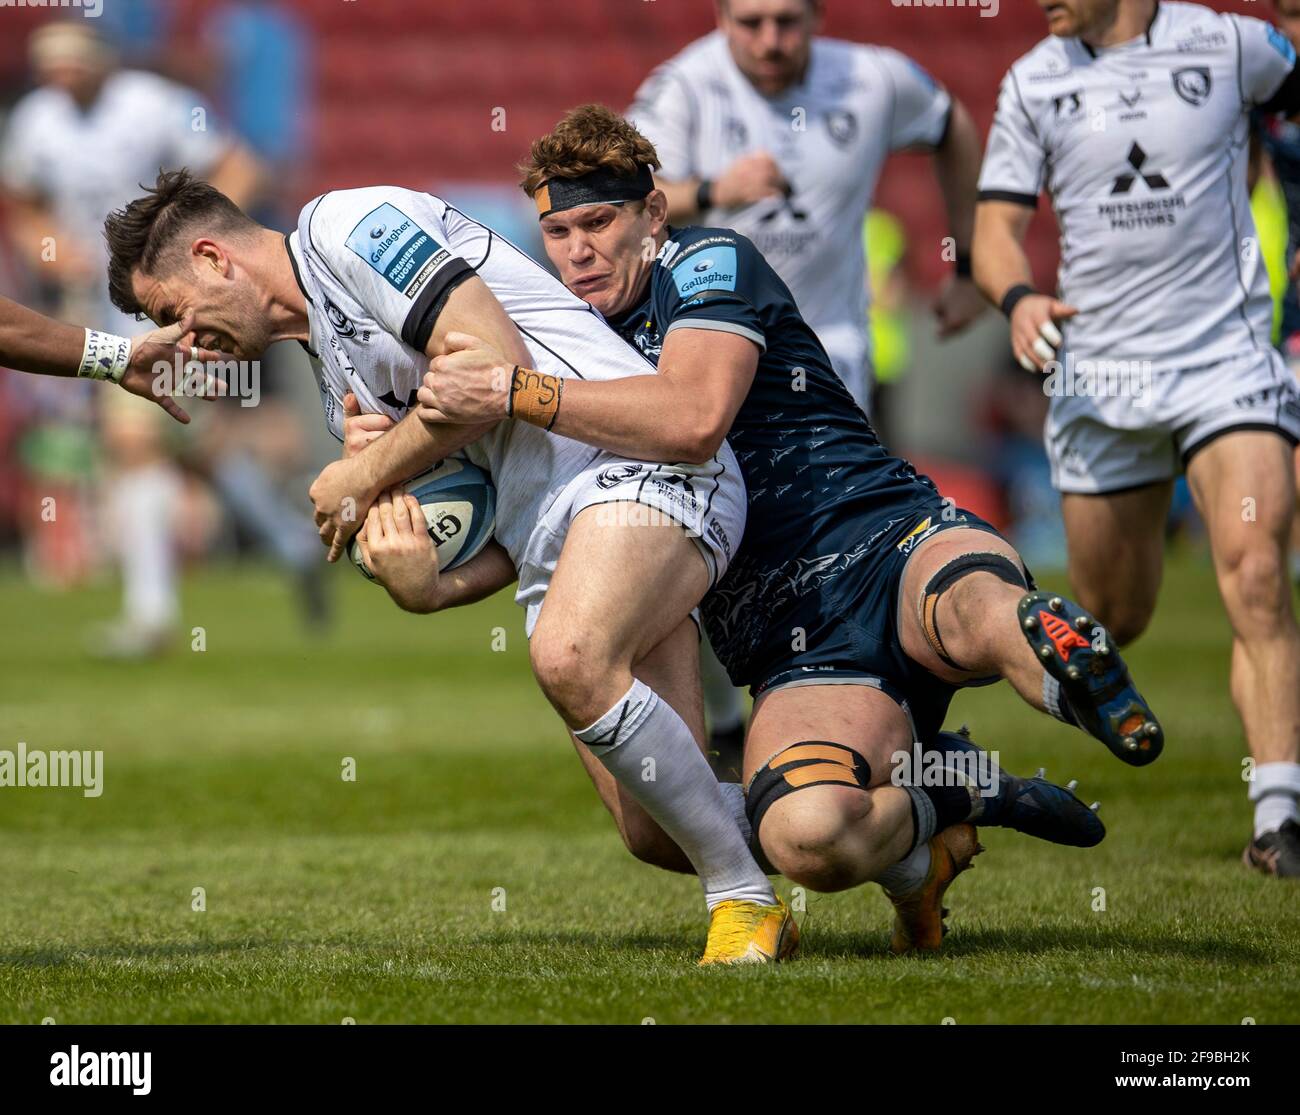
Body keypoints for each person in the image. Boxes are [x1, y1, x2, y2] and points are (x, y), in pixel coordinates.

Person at [415, 106, 1164, 951]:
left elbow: (695, 417)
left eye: (600, 221)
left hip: (890, 532)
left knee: (975, 610)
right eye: (558, 231)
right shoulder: (563, 345)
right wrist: (425, 573)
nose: (579, 250)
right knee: (801, 837)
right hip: (793, 643)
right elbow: (537, 525)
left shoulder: (706, 262)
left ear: (653, 216)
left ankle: (1063, 663)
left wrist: (516, 392)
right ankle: (952, 791)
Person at [103, 169, 794, 965]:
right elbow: (493, 523)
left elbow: (490, 366)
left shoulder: (346, 223)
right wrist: (427, 588)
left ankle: (743, 902)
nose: (183, 342)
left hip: (638, 463)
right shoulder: (340, 393)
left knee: (570, 657)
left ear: (214, 257)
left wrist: (361, 476)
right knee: (657, 827)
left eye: (171, 313)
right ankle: (891, 828)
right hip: (554, 540)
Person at [973, 0, 1300, 877]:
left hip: (1223, 362)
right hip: (1100, 378)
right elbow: (995, 229)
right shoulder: (1033, 79)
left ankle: (1279, 817)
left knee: (1258, 570)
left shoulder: (1232, 46)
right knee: (1113, 617)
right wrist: (1018, 299)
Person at [625, 0, 988, 756]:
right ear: (721, 18)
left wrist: (969, 259)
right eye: (750, 22)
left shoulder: (873, 79)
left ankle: (881, 727)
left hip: (827, 370)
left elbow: (952, 123)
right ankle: (733, 723)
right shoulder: (686, 87)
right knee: (690, 550)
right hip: (705, 367)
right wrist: (714, 190)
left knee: (840, 563)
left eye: (787, 21)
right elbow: (630, 195)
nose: (769, 41)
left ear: (818, 17)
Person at [1, 20, 264, 656]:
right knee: (171, 445)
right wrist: (50, 249)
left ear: (100, 57)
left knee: (137, 443)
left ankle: (152, 615)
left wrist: (186, 253)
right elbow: (22, 201)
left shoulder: (154, 104)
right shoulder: (36, 119)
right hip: (90, 303)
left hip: (158, 305)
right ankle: (283, 536)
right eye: (47, 60)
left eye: (71, 57)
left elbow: (240, 166)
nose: (59, 70)